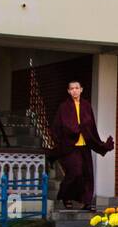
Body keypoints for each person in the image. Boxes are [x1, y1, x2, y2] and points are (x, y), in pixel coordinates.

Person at [49, 80, 114, 211]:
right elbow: (56, 127)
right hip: (70, 146)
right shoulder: (64, 107)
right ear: (68, 91)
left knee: (87, 174)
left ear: (81, 90)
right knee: (75, 172)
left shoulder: (86, 106)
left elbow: (92, 127)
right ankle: (65, 196)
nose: (74, 90)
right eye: (71, 88)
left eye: (77, 88)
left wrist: (99, 142)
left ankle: (86, 202)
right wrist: (60, 141)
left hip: (85, 145)